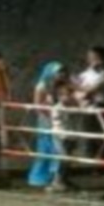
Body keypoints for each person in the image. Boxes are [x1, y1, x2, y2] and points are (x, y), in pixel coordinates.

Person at [27, 62, 69, 191]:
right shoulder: (42, 85)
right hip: (46, 120)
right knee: (46, 148)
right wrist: (49, 115)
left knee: (57, 149)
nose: (61, 74)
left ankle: (57, 177)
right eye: (58, 72)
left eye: (62, 72)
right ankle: (40, 178)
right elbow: (38, 105)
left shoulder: (60, 86)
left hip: (58, 119)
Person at [75, 47, 104, 160]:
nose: (91, 59)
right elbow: (76, 86)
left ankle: (101, 159)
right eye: (90, 57)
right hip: (86, 105)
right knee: (88, 133)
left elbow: (92, 89)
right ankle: (91, 158)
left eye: (94, 57)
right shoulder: (86, 73)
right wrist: (81, 90)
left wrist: (83, 89)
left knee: (99, 133)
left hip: (99, 104)